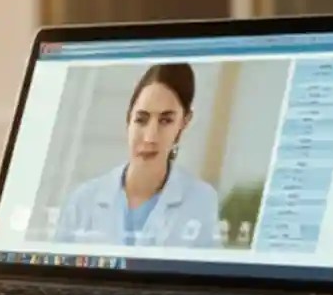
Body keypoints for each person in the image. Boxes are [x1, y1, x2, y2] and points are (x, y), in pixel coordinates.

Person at [55, 64, 221, 248]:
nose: (150, 137)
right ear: (128, 119)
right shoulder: (82, 201)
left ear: (184, 122)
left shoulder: (202, 201)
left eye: (166, 121)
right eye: (141, 120)